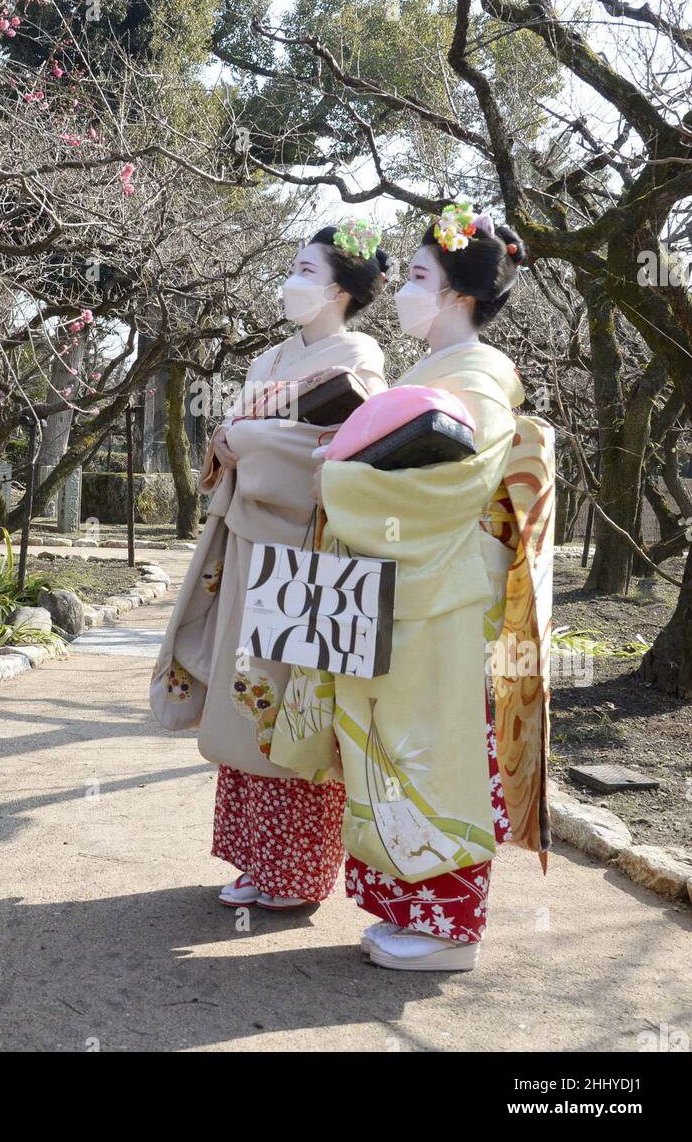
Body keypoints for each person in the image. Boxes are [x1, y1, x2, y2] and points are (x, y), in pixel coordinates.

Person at [271, 203, 555, 967]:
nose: (404, 289)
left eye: (420, 276)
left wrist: (342, 475)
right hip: (399, 589)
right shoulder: (436, 369)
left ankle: (448, 928)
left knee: (432, 752)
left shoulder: (479, 377)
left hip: (436, 593)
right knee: (386, 746)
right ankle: (409, 910)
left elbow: (448, 491)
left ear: (459, 296)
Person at [150, 222, 388, 910]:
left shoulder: (359, 359)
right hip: (248, 542)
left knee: (290, 701)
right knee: (240, 697)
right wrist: (235, 440)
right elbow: (239, 439)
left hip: (305, 553)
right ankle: (256, 860)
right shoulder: (270, 359)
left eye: (305, 269)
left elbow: (342, 449)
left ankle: (295, 875)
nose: (291, 278)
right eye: (291, 264)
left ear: (340, 288)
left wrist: (248, 439)